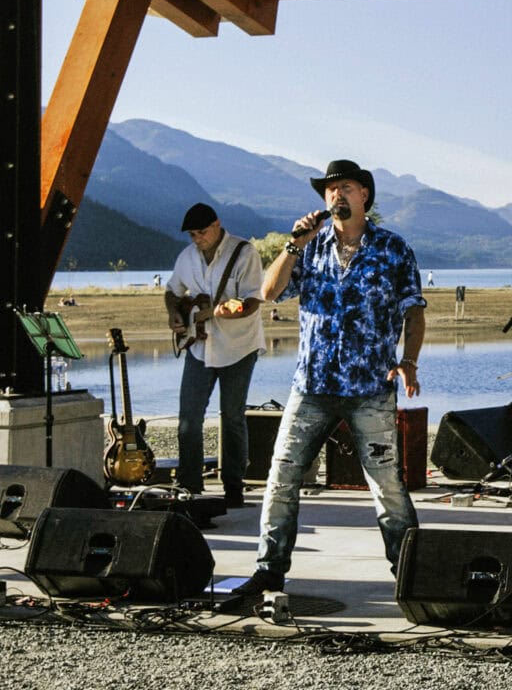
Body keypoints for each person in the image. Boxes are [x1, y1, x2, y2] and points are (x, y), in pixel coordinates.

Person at [241, 159, 426, 596]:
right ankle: (269, 570)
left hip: (370, 387)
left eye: (345, 187)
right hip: (312, 385)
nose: (336, 195)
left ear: (364, 195)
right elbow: (269, 292)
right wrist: (293, 244)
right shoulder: (309, 247)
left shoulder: (393, 249)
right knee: (282, 476)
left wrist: (409, 360)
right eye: (329, 190)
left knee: (387, 485)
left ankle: (412, 574)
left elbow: (414, 310)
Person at [163, 202, 265, 508]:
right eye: (192, 235)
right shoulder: (187, 257)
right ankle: (189, 487)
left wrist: (222, 311)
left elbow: (252, 301)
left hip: (239, 347)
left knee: (232, 417)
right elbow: (172, 291)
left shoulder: (244, 253)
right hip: (198, 346)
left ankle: (233, 488)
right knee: (188, 418)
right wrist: (174, 315)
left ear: (217, 224)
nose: (198, 239)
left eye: (202, 232)